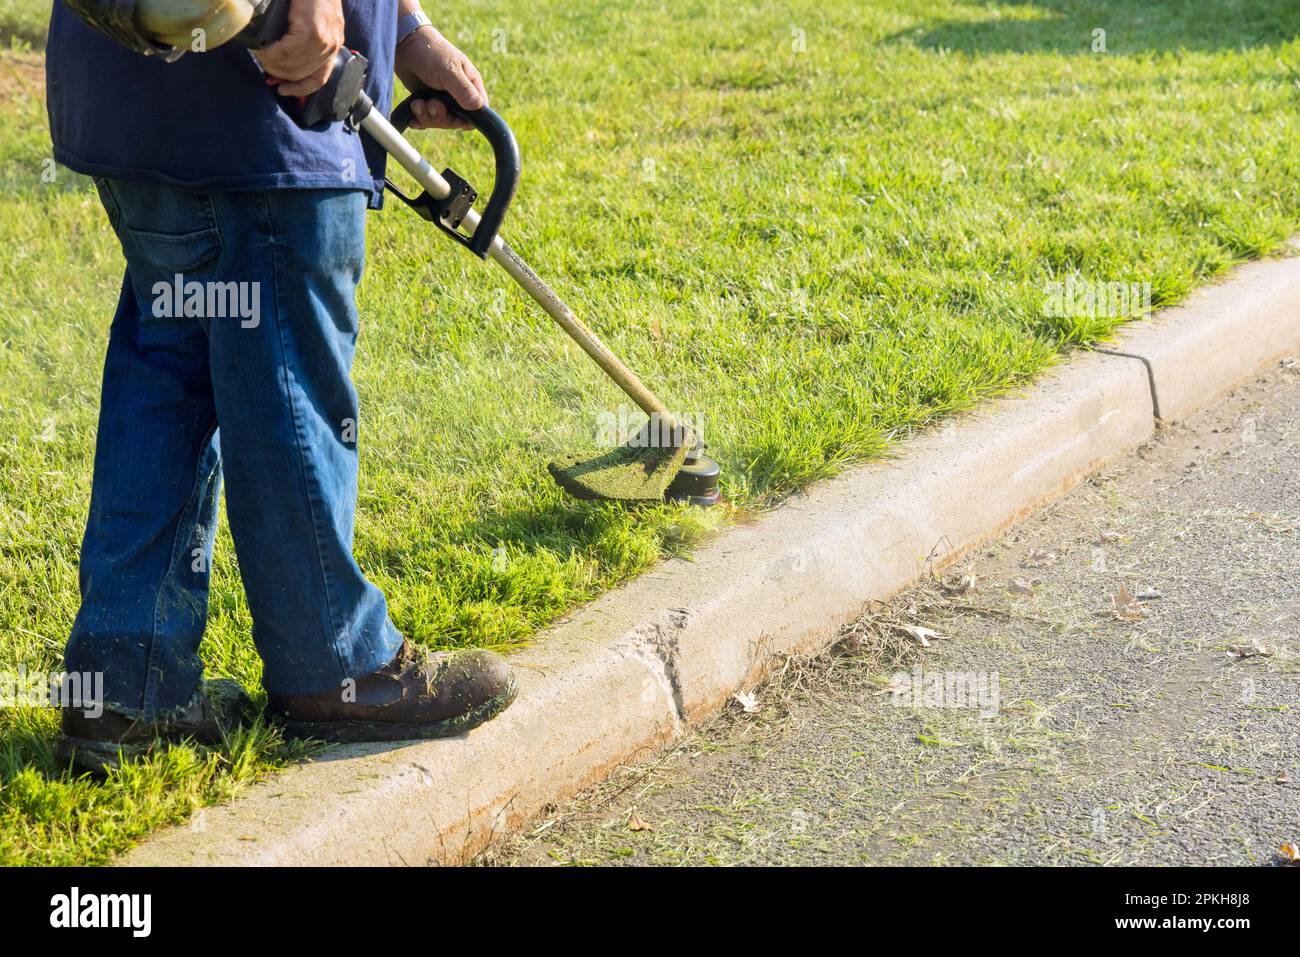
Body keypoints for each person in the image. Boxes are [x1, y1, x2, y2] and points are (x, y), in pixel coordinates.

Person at [46, 0, 516, 772]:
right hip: (262, 102)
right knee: (284, 375)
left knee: (167, 365)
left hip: (129, 83)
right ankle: (336, 667)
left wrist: (402, 28)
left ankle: (126, 688)